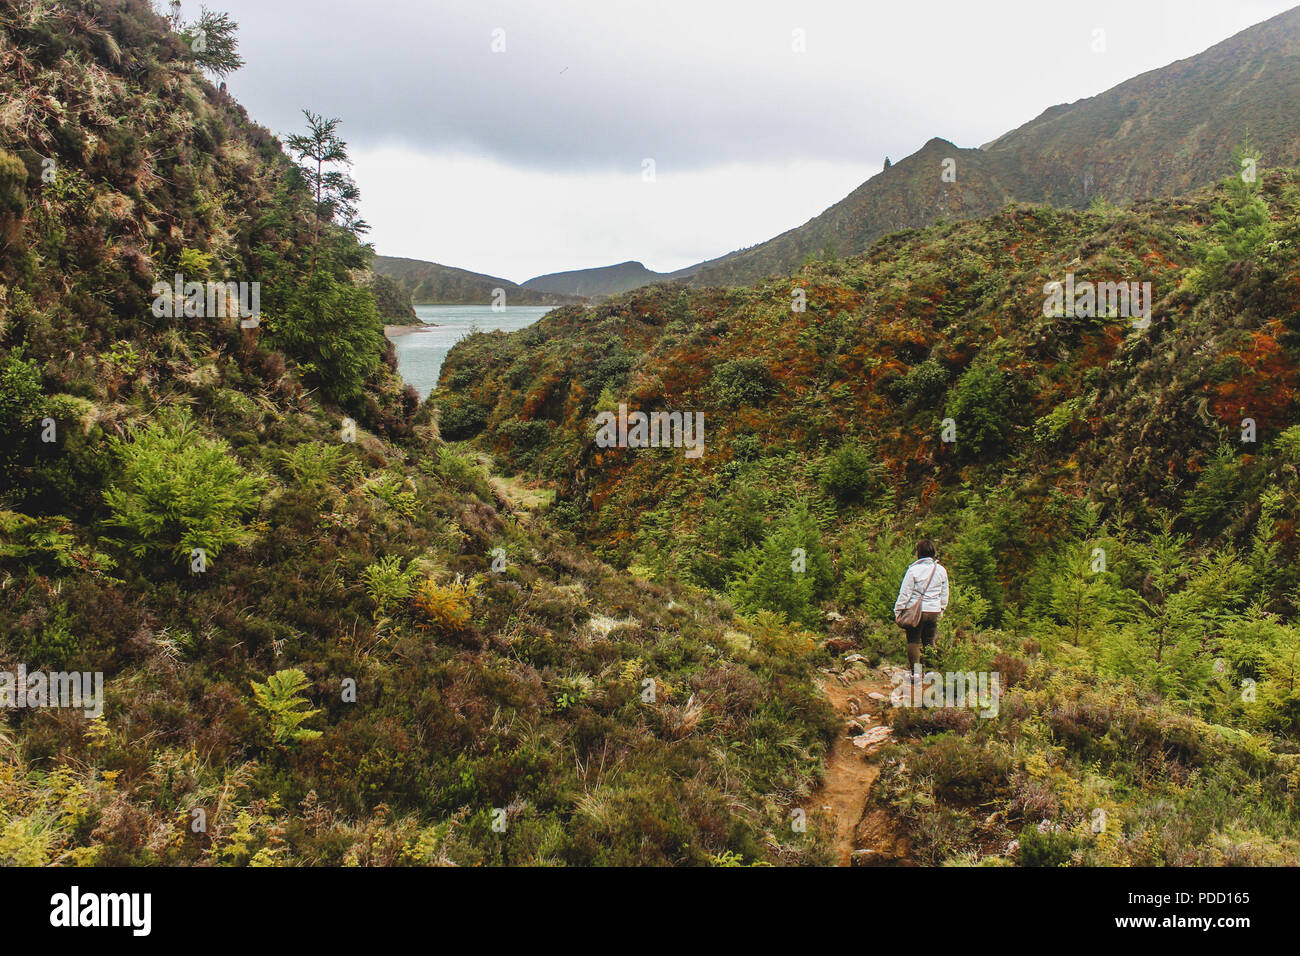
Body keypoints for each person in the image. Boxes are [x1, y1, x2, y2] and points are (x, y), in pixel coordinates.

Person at [893, 539, 949, 675]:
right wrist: (941, 609)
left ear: (919, 553)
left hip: (916, 611)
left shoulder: (913, 571)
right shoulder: (941, 570)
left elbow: (905, 593)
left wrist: (898, 610)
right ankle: (930, 671)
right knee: (929, 640)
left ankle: (916, 674)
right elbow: (945, 591)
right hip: (933, 610)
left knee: (913, 641)